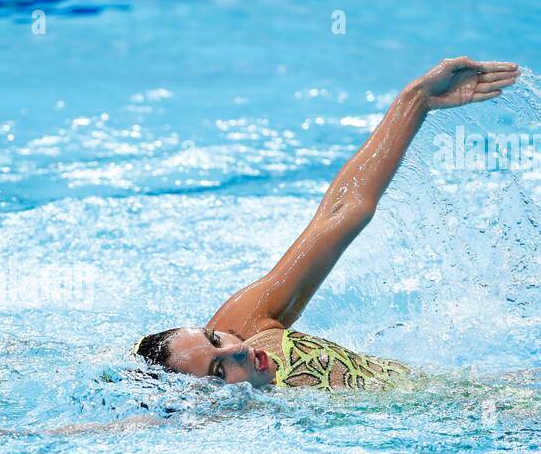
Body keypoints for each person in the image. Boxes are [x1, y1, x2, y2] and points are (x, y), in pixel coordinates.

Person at [134, 56, 520, 390]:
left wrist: (416, 101)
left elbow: (344, 211)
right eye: (219, 371)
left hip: (477, 392)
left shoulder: (246, 323)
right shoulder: (236, 417)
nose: (236, 350)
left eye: (213, 338)